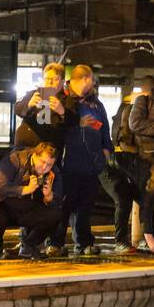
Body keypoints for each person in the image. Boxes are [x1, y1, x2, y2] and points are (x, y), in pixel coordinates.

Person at [0, 142, 64, 260]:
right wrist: (25, 189)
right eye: (42, 162)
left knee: (55, 215)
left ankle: (28, 245)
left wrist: (49, 196)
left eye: (49, 165)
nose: (45, 168)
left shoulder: (54, 172)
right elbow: (1, 187)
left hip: (29, 211)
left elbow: (58, 200)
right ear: (34, 155)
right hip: (5, 207)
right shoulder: (13, 160)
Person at [58, 64, 112, 255]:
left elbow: (105, 128)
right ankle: (56, 243)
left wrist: (106, 149)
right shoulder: (62, 99)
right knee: (64, 205)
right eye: (92, 80)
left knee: (85, 206)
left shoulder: (96, 104)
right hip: (68, 162)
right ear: (86, 79)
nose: (93, 84)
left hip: (91, 163)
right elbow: (54, 126)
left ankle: (84, 242)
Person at [100, 76, 154, 253]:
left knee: (143, 199)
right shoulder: (132, 110)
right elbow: (123, 142)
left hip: (126, 162)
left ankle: (146, 238)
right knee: (123, 199)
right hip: (117, 163)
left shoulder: (131, 107)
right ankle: (121, 241)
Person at [14, 63, 69, 153]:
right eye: (47, 78)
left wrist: (62, 112)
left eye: (55, 79)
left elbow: (73, 122)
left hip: (49, 151)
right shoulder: (34, 93)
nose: (50, 82)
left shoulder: (66, 100)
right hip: (25, 147)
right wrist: (29, 105)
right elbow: (17, 109)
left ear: (62, 81)